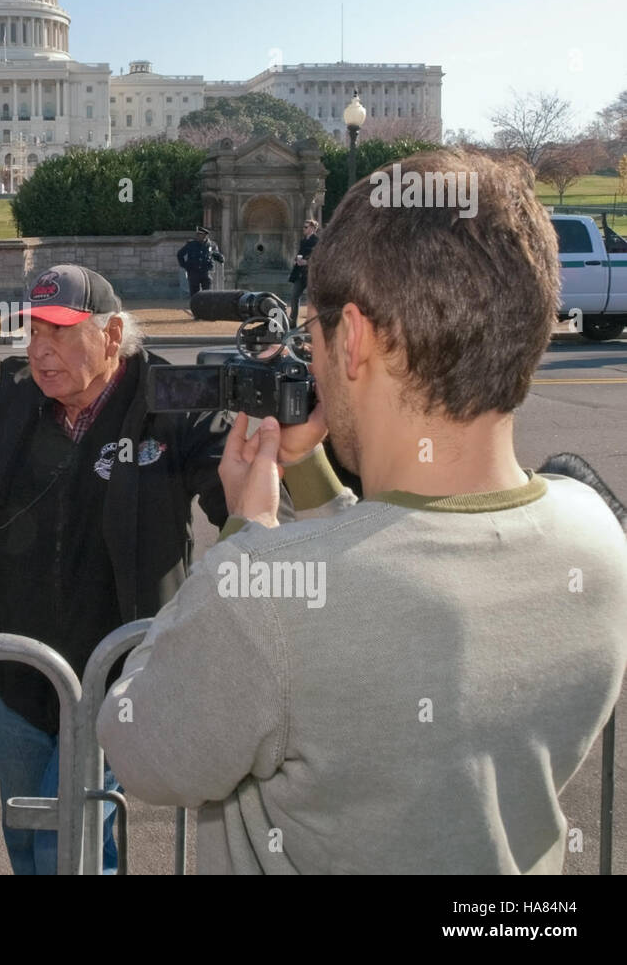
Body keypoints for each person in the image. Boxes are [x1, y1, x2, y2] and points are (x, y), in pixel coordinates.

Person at [97, 149, 627, 874]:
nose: (306, 365)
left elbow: (139, 748)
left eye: (313, 340)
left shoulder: (263, 599)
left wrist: (245, 540)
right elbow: (416, 560)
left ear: (353, 339)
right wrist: (305, 472)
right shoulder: (596, 533)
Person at [0, 264, 229, 874]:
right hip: (22, 675)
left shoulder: (171, 402)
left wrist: (261, 441)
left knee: (68, 842)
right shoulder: (11, 402)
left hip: (116, 675)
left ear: (113, 334)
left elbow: (235, 495)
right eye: (34, 331)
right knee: (25, 833)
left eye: (62, 333)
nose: (41, 351)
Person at [176, 227, 224, 311]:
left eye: (200, 235)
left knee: (207, 294)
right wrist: (185, 266)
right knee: (194, 295)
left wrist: (220, 258)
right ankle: (196, 312)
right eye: (197, 234)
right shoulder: (191, 244)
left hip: (206, 272)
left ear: (205, 235)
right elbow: (180, 254)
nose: (198, 236)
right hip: (194, 273)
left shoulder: (212, 245)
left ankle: (206, 312)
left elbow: (216, 255)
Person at [286, 218, 320, 327]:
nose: (303, 229)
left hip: (310, 274)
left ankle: (311, 324)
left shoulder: (317, 241)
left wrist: (306, 262)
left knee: (312, 299)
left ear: (313, 229)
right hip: (300, 273)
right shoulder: (303, 240)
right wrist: (297, 259)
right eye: (304, 227)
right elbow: (300, 253)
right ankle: (292, 322)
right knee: (294, 296)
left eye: (306, 227)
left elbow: (318, 257)